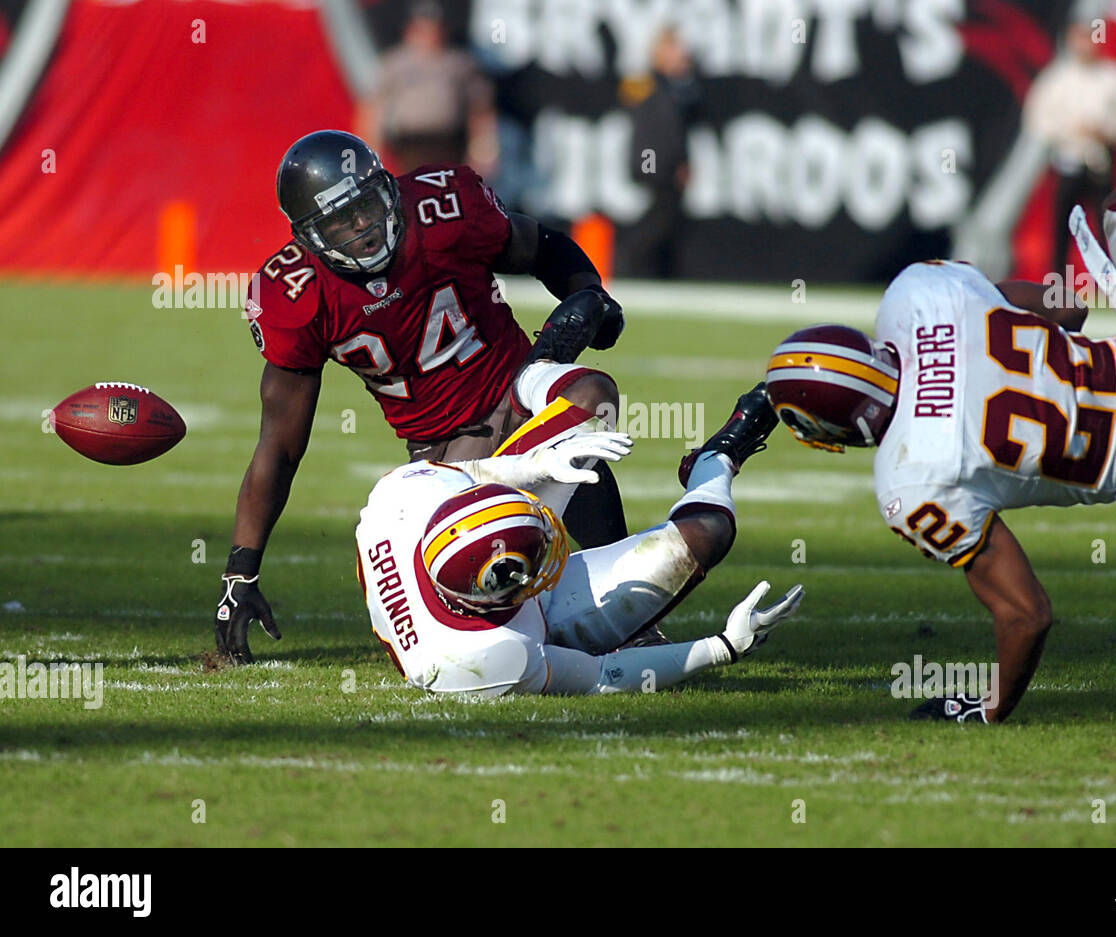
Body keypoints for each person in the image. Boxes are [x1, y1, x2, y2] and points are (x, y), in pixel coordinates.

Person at [763, 12, 1116, 723]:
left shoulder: (906, 480)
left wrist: (988, 710)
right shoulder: (914, 297)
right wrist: (1081, 295)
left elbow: (1028, 613)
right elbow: (1068, 310)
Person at [215, 129, 628, 664]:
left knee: (590, 400)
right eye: (342, 220)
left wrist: (589, 295)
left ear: (386, 188)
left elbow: (539, 245)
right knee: (479, 627)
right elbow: (279, 447)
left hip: (521, 391)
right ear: (310, 238)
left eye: (365, 206)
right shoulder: (295, 293)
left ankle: (624, 607)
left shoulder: (442, 205)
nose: (362, 225)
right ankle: (571, 616)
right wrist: (239, 572)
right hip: (445, 458)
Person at [355, 384, 803, 696]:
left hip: (476, 575)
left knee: (588, 409)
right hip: (510, 620)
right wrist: (722, 647)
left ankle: (537, 360)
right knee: (709, 532)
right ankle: (719, 458)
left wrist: (536, 465)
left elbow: (465, 474)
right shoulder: (484, 657)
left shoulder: (401, 498)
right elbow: (602, 676)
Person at [1024, 15, 1116, 277]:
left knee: (1106, 226)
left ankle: (1113, 281)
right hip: (1068, 160)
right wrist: (1071, 130)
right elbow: (1038, 121)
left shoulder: (1114, 77)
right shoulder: (1056, 78)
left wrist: (1104, 131)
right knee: (1062, 228)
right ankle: (1058, 280)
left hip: (1100, 163)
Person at [356, 1, 498, 176]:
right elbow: (374, 109)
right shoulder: (395, 64)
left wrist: (483, 152)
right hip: (410, 146)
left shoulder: (459, 63)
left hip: (450, 144)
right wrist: (371, 151)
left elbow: (480, 111)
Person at [618, 28, 699, 279]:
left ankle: (652, 271)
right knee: (658, 217)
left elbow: (678, 131)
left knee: (667, 216)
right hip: (652, 161)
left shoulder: (676, 87)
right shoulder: (647, 83)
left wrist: (682, 161)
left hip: (665, 163)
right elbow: (654, 128)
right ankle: (628, 263)